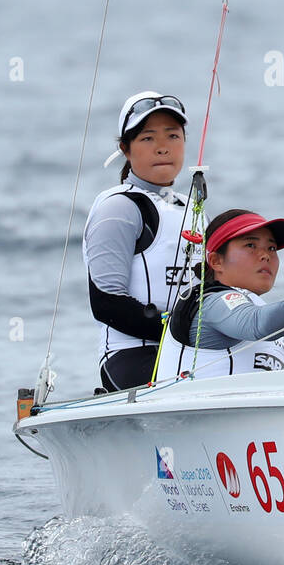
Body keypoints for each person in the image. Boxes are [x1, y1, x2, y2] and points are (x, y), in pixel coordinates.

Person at [83, 90, 192, 391]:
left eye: (173, 136)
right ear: (125, 149)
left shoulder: (191, 208)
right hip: (133, 358)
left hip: (190, 352)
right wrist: (189, 331)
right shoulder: (118, 208)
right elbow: (107, 303)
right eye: (148, 138)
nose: (162, 148)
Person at [158, 208, 284, 380]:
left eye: (271, 247)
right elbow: (256, 323)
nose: (265, 255)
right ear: (216, 261)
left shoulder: (262, 311)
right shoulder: (212, 303)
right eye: (250, 245)